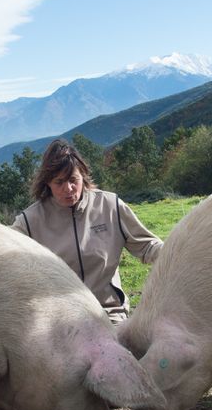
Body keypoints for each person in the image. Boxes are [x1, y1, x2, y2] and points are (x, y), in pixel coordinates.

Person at [12, 139, 163, 324]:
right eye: (59, 182)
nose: (68, 189)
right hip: (58, 321)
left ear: (83, 176)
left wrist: (179, 251)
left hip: (109, 313)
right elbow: (1, 255)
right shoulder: (29, 221)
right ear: (47, 183)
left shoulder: (110, 205)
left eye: (73, 180)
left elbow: (148, 246)